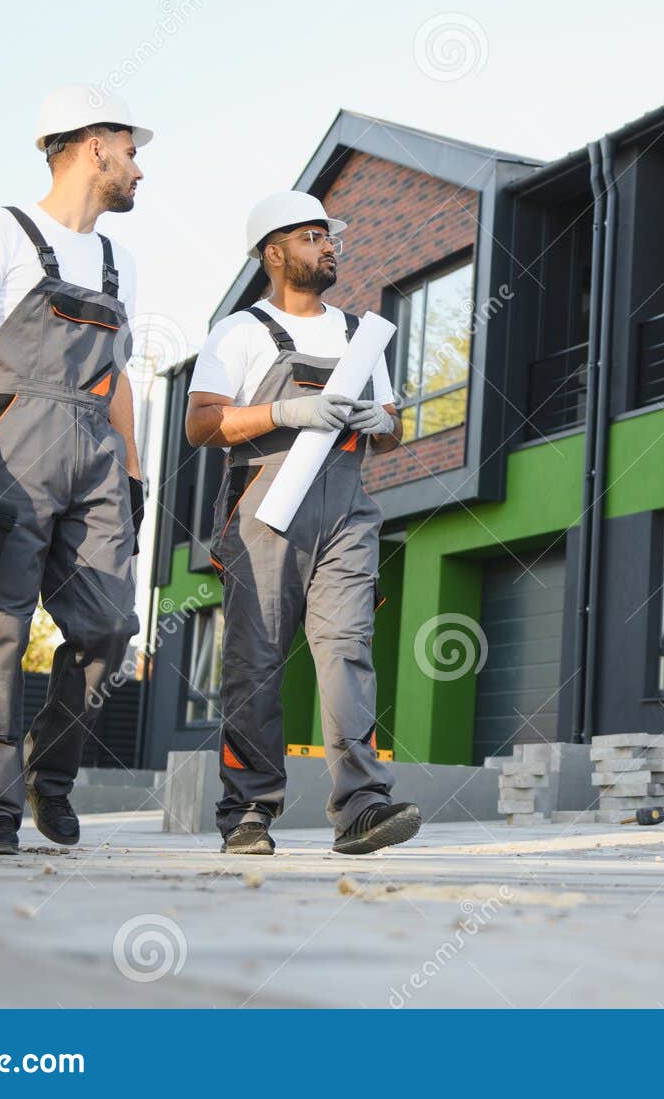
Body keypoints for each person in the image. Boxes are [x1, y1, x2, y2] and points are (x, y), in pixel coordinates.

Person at [0, 84, 150, 855]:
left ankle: (46, 771)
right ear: (94, 144)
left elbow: (117, 374)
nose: (139, 169)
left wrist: (132, 470)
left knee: (110, 627)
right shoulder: (1, 229)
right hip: (9, 446)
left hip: (94, 450)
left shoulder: (117, 259)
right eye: (132, 150)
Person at [185, 190, 421, 856]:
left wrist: (386, 424)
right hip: (264, 512)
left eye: (330, 236)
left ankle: (362, 806)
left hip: (347, 513)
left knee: (348, 651)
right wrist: (285, 413)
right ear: (274, 252)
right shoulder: (239, 333)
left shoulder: (359, 334)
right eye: (312, 236)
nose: (328, 246)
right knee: (254, 663)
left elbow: (394, 428)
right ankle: (249, 810)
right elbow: (201, 423)